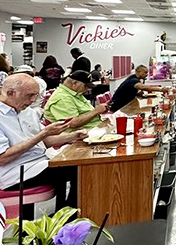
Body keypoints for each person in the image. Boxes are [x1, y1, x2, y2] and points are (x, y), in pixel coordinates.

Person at [0, 74, 86, 208]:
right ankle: (68, 215)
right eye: (29, 95)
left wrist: (73, 137)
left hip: (40, 162)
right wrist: (42, 134)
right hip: (16, 172)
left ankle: (64, 212)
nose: (34, 100)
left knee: (77, 162)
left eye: (36, 95)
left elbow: (43, 141)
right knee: (77, 169)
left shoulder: (27, 112)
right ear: (10, 93)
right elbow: (3, 158)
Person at [43, 71, 108, 130]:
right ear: (74, 83)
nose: (87, 89)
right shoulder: (62, 98)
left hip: (93, 129)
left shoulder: (75, 93)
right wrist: (96, 111)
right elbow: (71, 124)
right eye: (85, 86)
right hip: (80, 136)